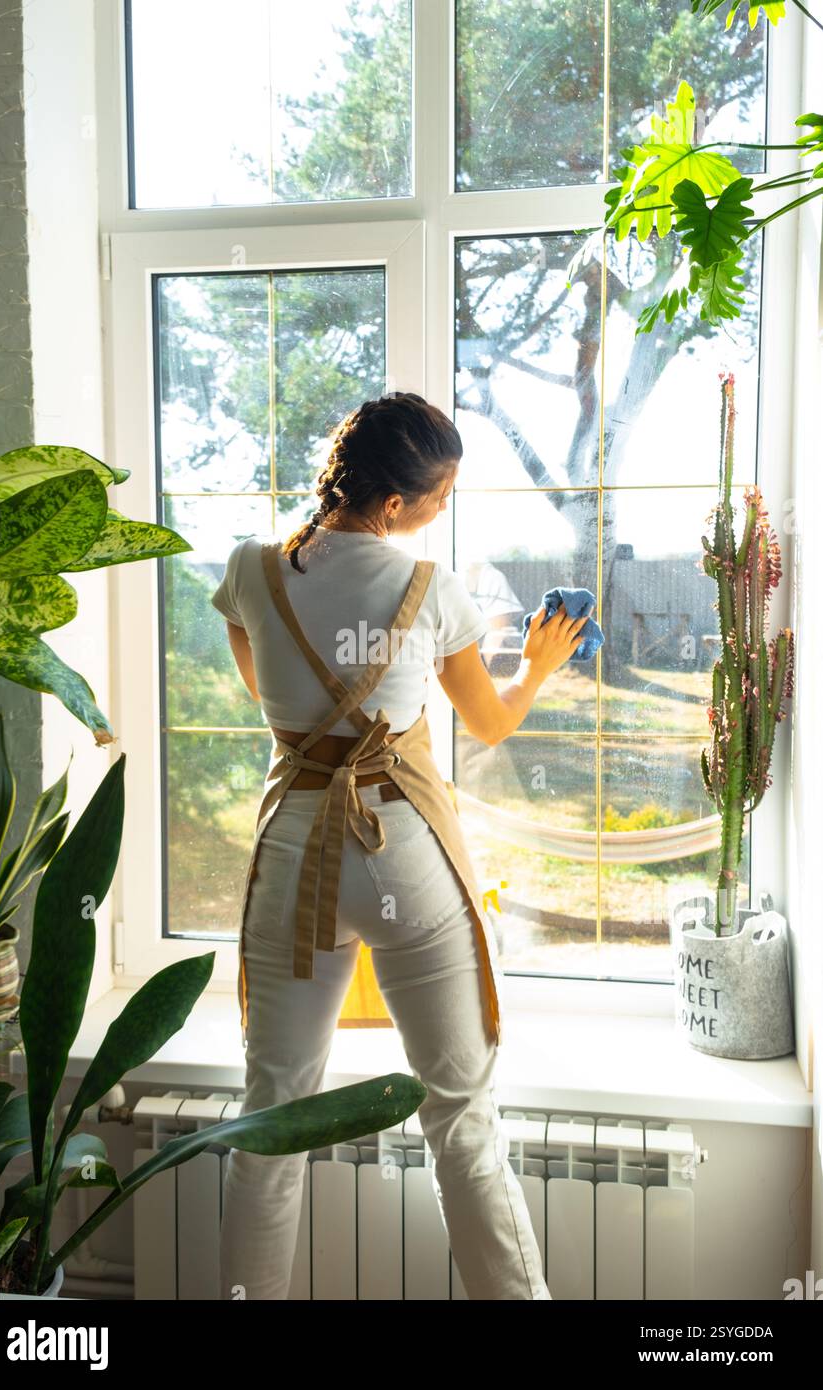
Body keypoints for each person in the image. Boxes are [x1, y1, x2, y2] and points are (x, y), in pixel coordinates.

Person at [212, 391, 590, 1301]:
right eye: (439, 496)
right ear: (393, 507)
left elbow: (269, 698)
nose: (442, 510)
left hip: (296, 851)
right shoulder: (431, 590)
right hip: (399, 854)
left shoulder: (250, 571)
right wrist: (540, 660)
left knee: (273, 1116)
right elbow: (491, 723)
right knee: (459, 1114)